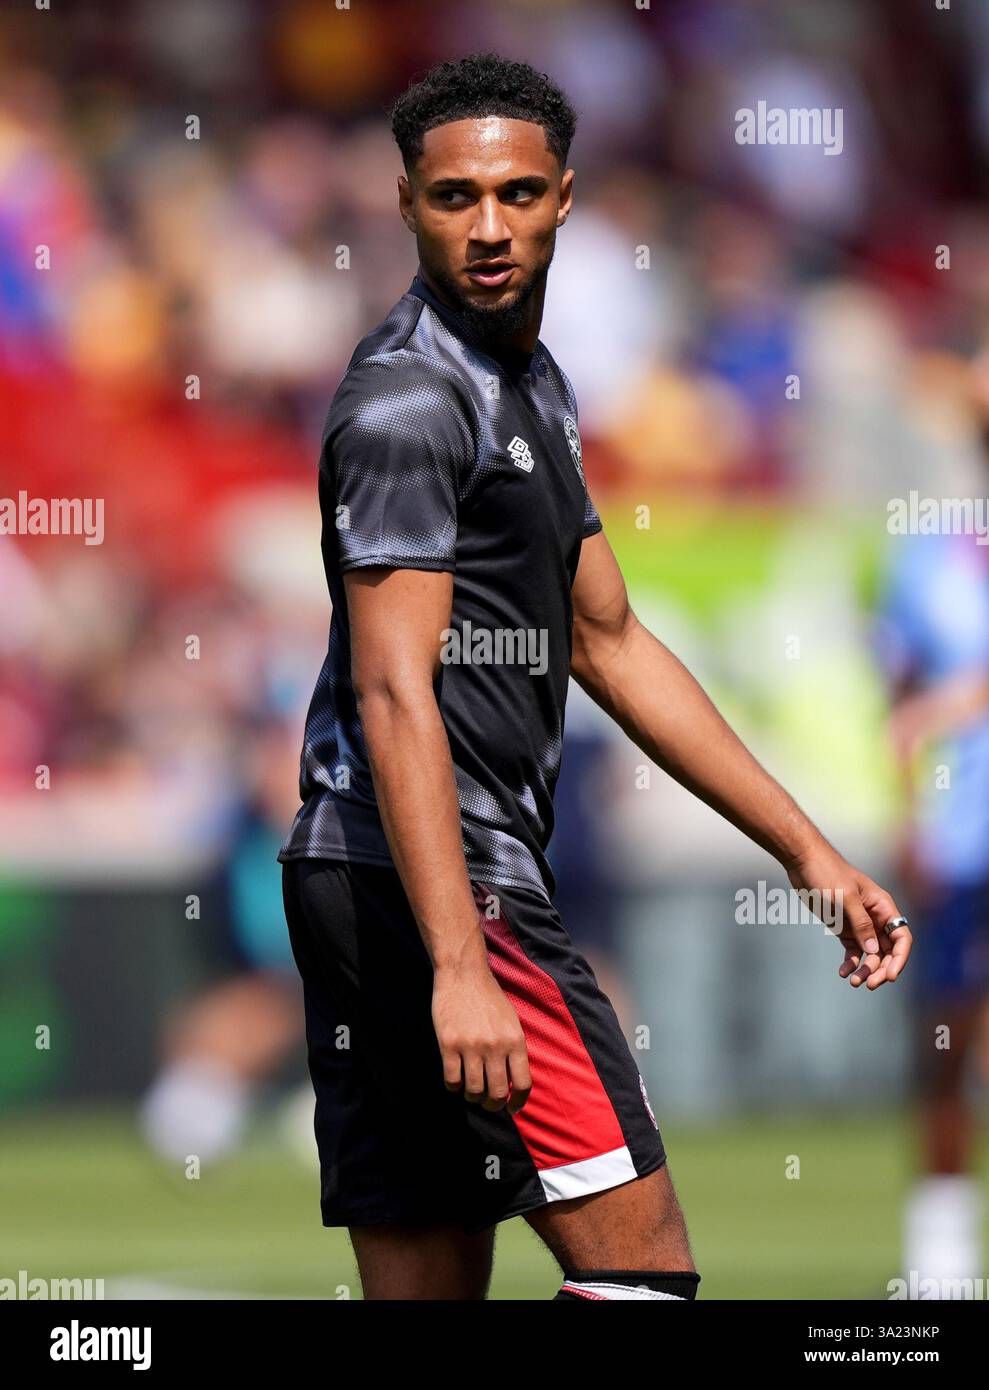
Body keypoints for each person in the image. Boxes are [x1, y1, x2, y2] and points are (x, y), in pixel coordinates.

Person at [278, 52, 912, 1302]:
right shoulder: (408, 403)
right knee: (643, 1284)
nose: (488, 225)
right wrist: (460, 963)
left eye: (515, 194)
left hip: (382, 877)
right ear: (404, 204)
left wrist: (806, 851)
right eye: (453, 197)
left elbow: (607, 638)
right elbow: (397, 691)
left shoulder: (532, 383)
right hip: (440, 883)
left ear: (565, 197)